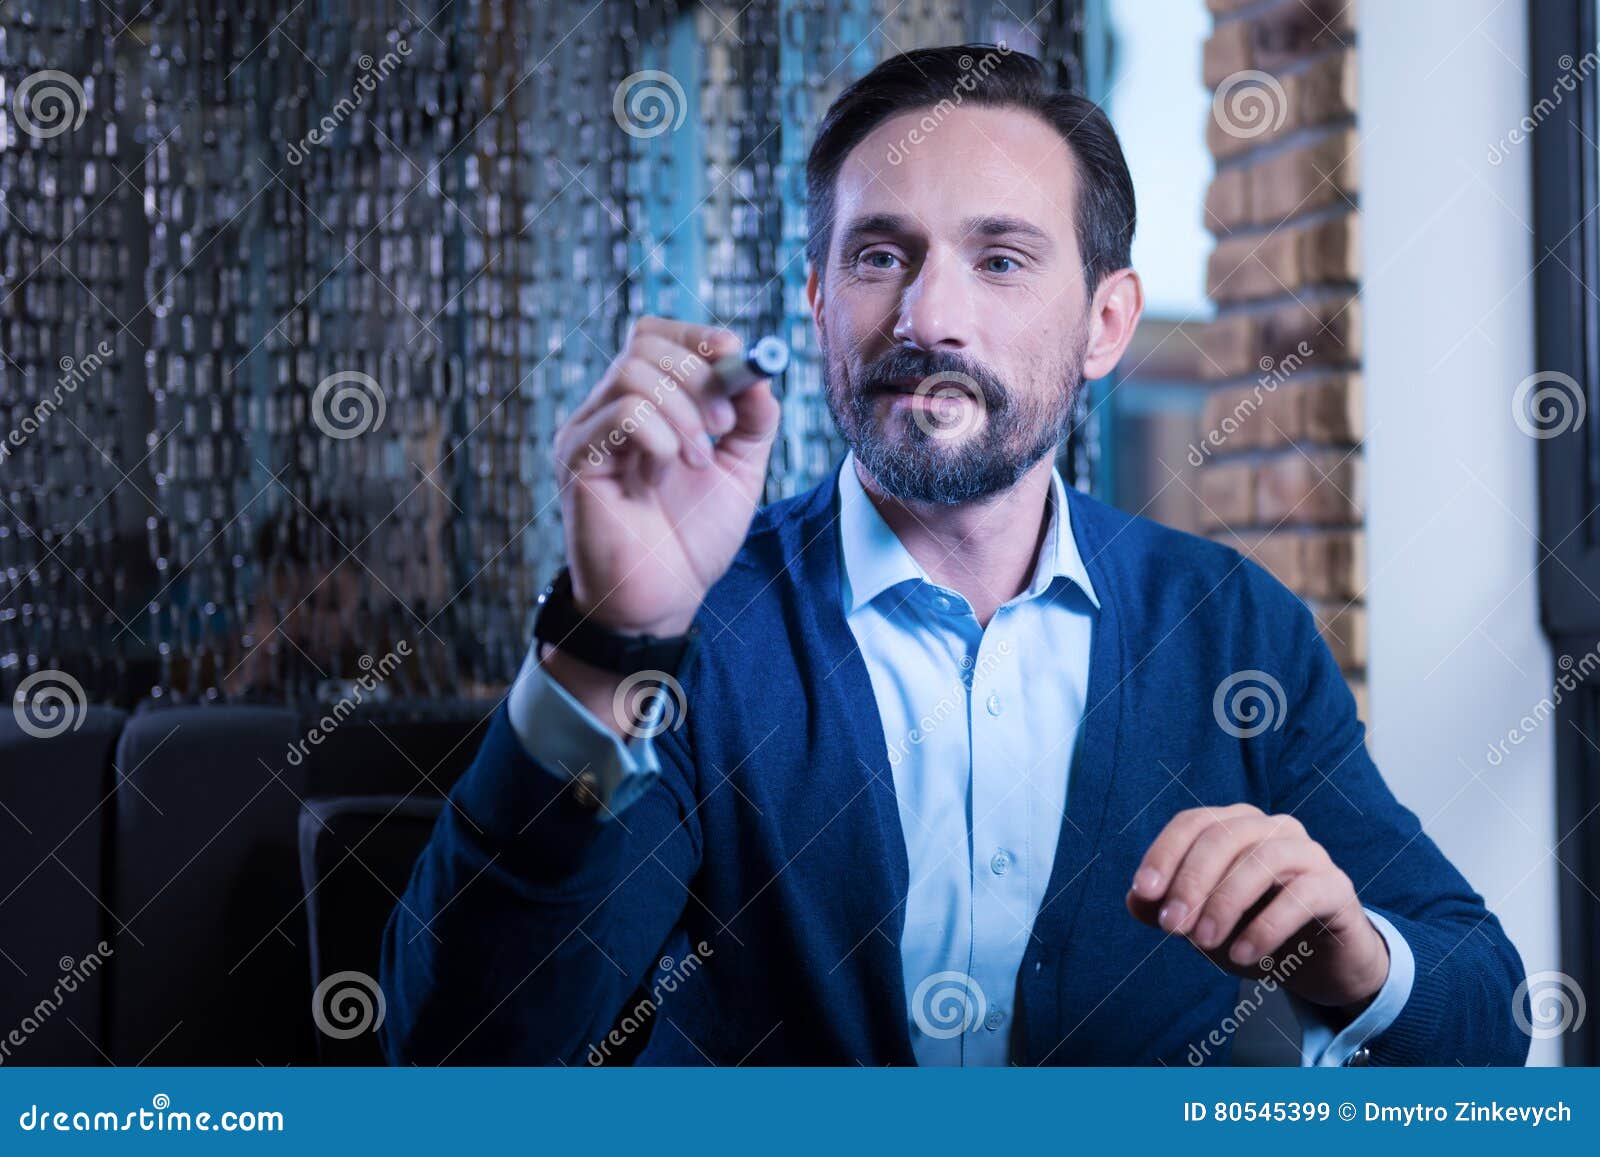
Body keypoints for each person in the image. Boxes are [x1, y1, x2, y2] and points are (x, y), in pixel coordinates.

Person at [380, 45, 1527, 1066]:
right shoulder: (697, 633)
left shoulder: (1232, 628)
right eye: (881, 256)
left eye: (1001, 260)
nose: (929, 315)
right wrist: (606, 638)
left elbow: (1490, 1019)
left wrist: (1360, 962)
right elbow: (465, 1056)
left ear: (1107, 324)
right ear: (821, 302)